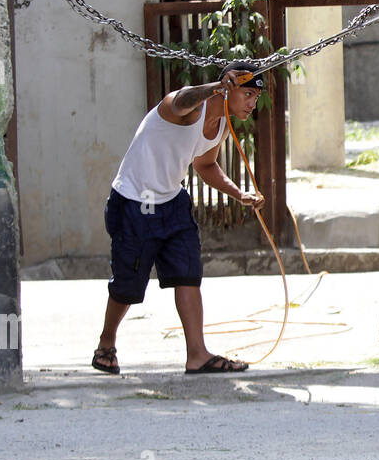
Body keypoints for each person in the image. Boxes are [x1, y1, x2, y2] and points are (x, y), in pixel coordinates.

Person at [93, 61, 266, 375]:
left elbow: (205, 165)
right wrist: (214, 88)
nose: (253, 103)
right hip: (136, 201)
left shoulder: (223, 124)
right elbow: (181, 98)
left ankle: (197, 355)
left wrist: (239, 194)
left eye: (256, 97)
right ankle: (106, 343)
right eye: (248, 94)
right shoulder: (184, 108)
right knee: (129, 285)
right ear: (227, 88)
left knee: (188, 273)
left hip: (172, 200)